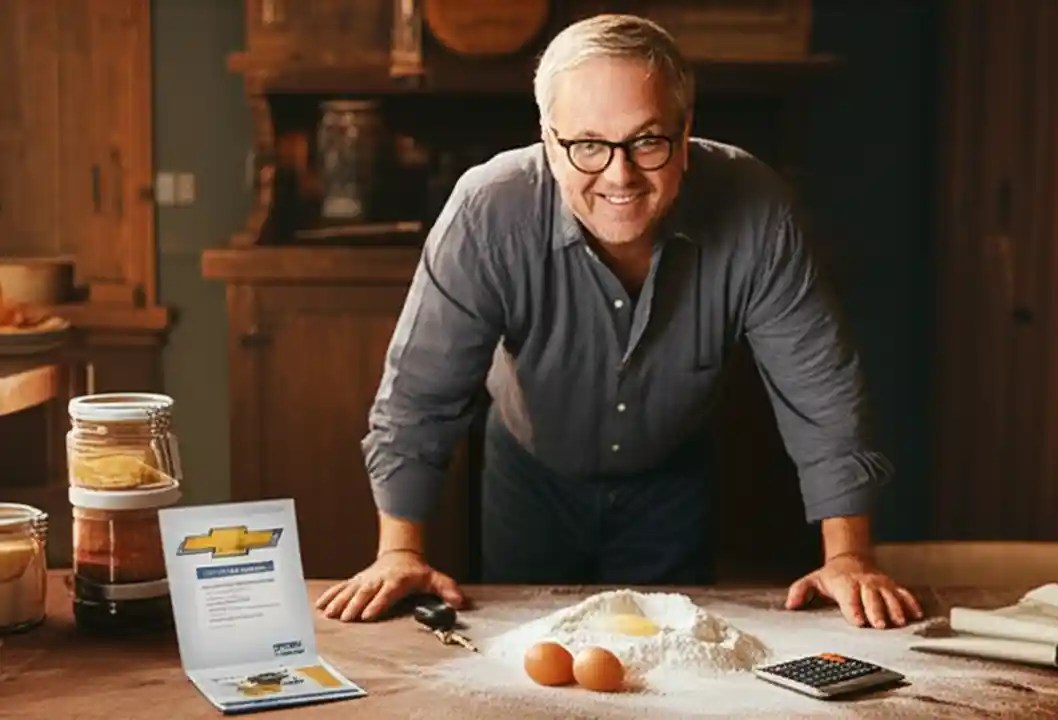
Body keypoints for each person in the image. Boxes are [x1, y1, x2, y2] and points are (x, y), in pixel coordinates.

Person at [316, 14, 922, 630]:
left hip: (674, 480)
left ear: (685, 138)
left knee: (668, 667)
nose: (619, 174)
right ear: (548, 143)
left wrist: (849, 556)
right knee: (525, 667)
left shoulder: (757, 208)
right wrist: (399, 552)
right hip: (529, 479)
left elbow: (823, 397)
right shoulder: (487, 209)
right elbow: (420, 397)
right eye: (587, 145)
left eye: (648, 140)